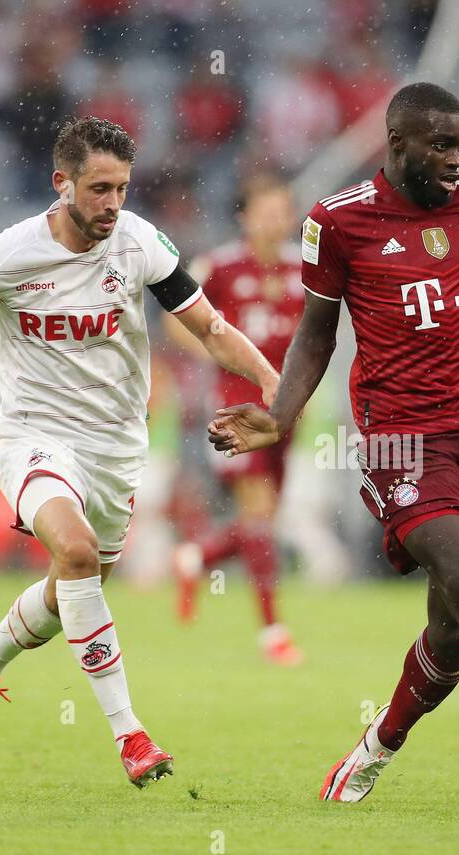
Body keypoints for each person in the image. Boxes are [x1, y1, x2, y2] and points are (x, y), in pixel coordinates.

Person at [208, 83, 459, 813]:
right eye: (442, 146)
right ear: (398, 144)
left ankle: (376, 748)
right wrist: (281, 414)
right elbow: (317, 332)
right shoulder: (339, 222)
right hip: (400, 444)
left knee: (451, 632)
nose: (457, 160)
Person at [0, 117, 279, 788]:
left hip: (115, 452)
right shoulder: (8, 255)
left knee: (70, 589)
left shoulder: (138, 243)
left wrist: (277, 388)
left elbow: (212, 329)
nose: (112, 203)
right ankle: (130, 734)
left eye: (122, 189)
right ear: (62, 183)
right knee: (74, 555)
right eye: (99, 188)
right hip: (32, 441)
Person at [166, 174, 306, 665]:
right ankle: (273, 631)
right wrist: (217, 360)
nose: (276, 220)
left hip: (286, 409)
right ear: (245, 216)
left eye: (283, 211)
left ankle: (196, 558)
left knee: (261, 521)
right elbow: (174, 317)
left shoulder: (303, 269)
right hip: (235, 405)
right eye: (266, 211)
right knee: (258, 511)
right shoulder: (219, 266)